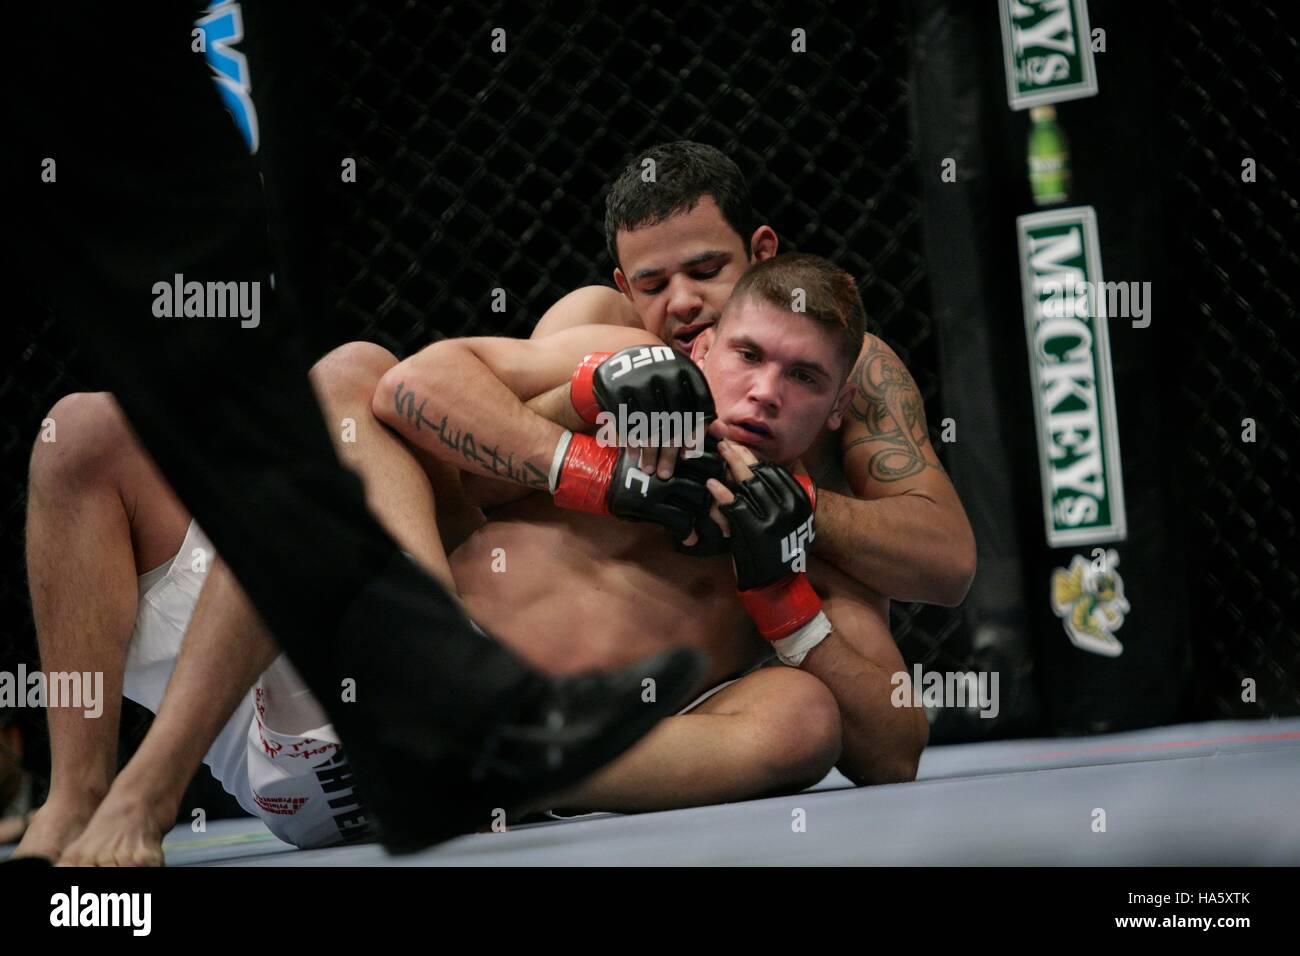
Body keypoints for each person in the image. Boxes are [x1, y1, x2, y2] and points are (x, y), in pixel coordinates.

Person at [9, 2, 703, 857]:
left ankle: (172, 784)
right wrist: (595, 434)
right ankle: (75, 799)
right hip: (319, 669)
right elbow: (422, 391)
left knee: (282, 398)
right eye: (662, 278)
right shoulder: (608, 333)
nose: (687, 306)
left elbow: (853, 684)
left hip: (359, 704)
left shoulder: (812, 430)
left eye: (710, 273)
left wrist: (790, 584)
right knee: (83, 430)